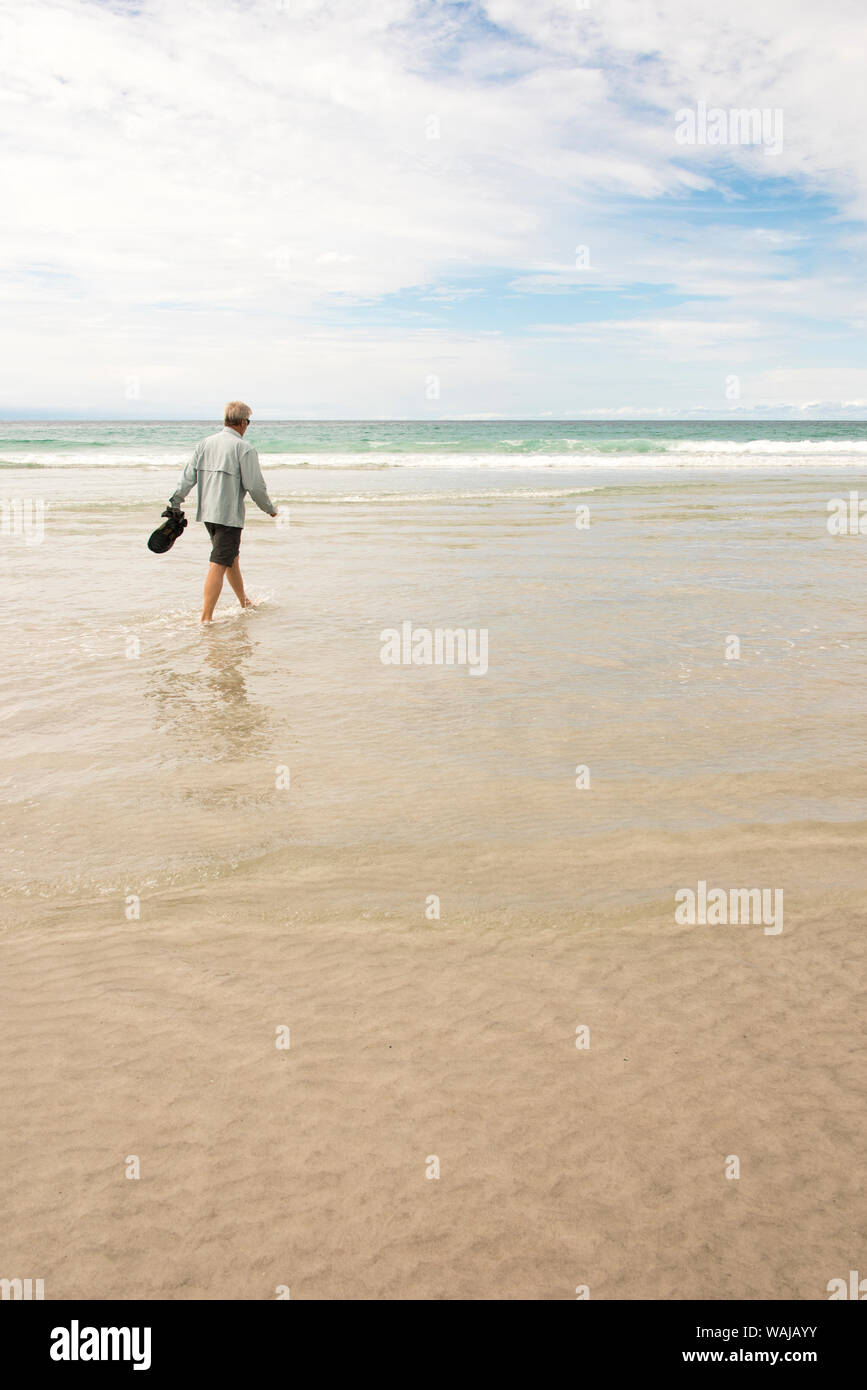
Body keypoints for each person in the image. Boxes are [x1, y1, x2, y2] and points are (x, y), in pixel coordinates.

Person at [168, 401, 277, 623]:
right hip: (228, 516)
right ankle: (206, 618)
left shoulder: (205, 444)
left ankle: (244, 602)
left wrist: (175, 502)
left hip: (208, 514)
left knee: (230, 559)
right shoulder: (244, 448)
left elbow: (188, 477)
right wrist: (270, 509)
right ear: (244, 422)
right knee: (218, 564)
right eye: (249, 422)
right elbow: (254, 485)